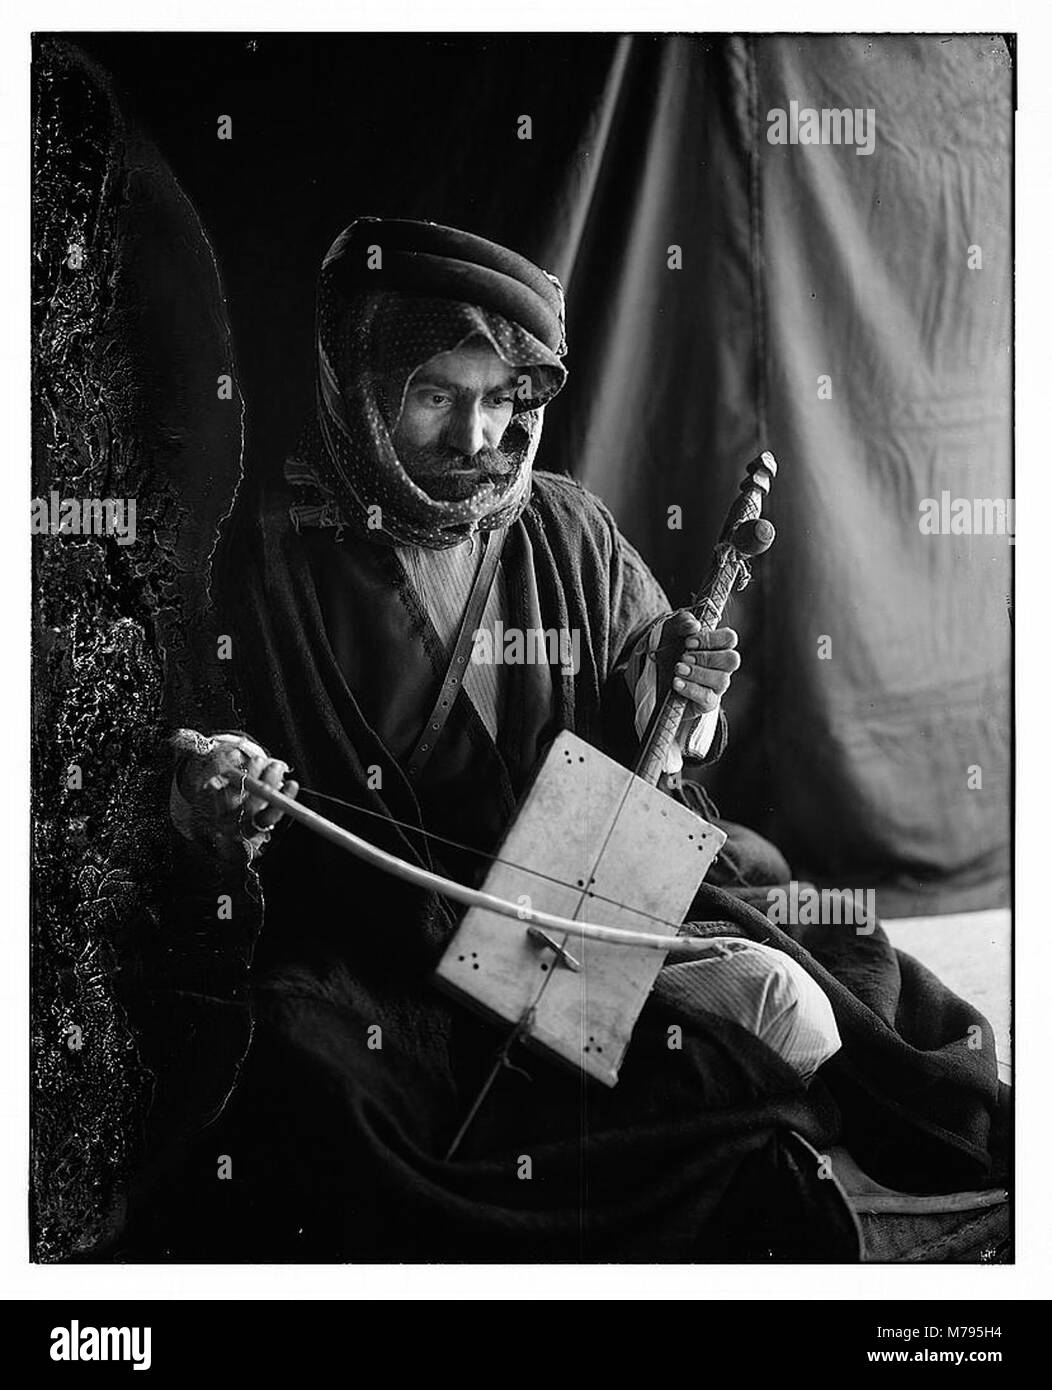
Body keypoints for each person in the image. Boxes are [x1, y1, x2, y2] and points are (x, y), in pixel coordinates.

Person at [121, 219, 1004, 1262]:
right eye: (436, 395)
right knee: (305, 1075)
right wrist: (224, 798)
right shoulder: (267, 558)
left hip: (592, 900)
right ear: (358, 385)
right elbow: (210, 751)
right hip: (383, 935)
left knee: (828, 981)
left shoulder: (567, 526)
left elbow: (661, 731)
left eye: (501, 400)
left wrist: (680, 690)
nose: (474, 435)